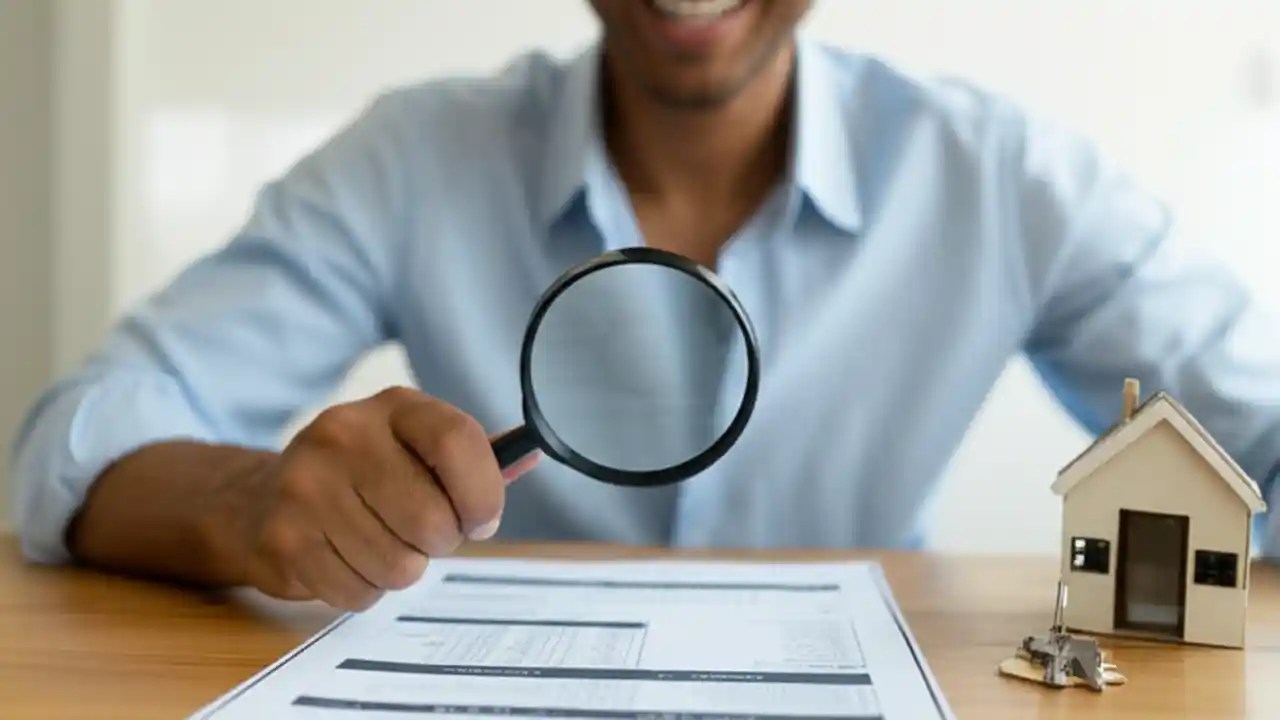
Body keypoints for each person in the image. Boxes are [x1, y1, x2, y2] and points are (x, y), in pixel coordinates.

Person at [11, 0, 1280, 611]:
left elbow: (1256, 445)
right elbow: (72, 439)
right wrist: (245, 504)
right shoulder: (412, 159)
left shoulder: (1001, 178)